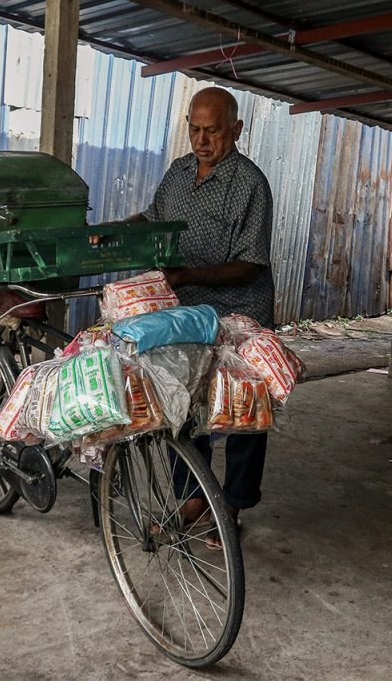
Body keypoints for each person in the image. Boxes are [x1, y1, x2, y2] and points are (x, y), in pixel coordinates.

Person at [131, 87, 275, 547]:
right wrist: (110, 234)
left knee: (241, 413)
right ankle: (191, 497)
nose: (200, 139)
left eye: (211, 130)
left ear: (235, 129)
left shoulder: (250, 184)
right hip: (186, 314)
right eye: (194, 128)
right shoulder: (177, 174)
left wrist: (188, 273)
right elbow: (153, 218)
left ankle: (231, 506)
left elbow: (250, 263)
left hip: (239, 315)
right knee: (184, 402)